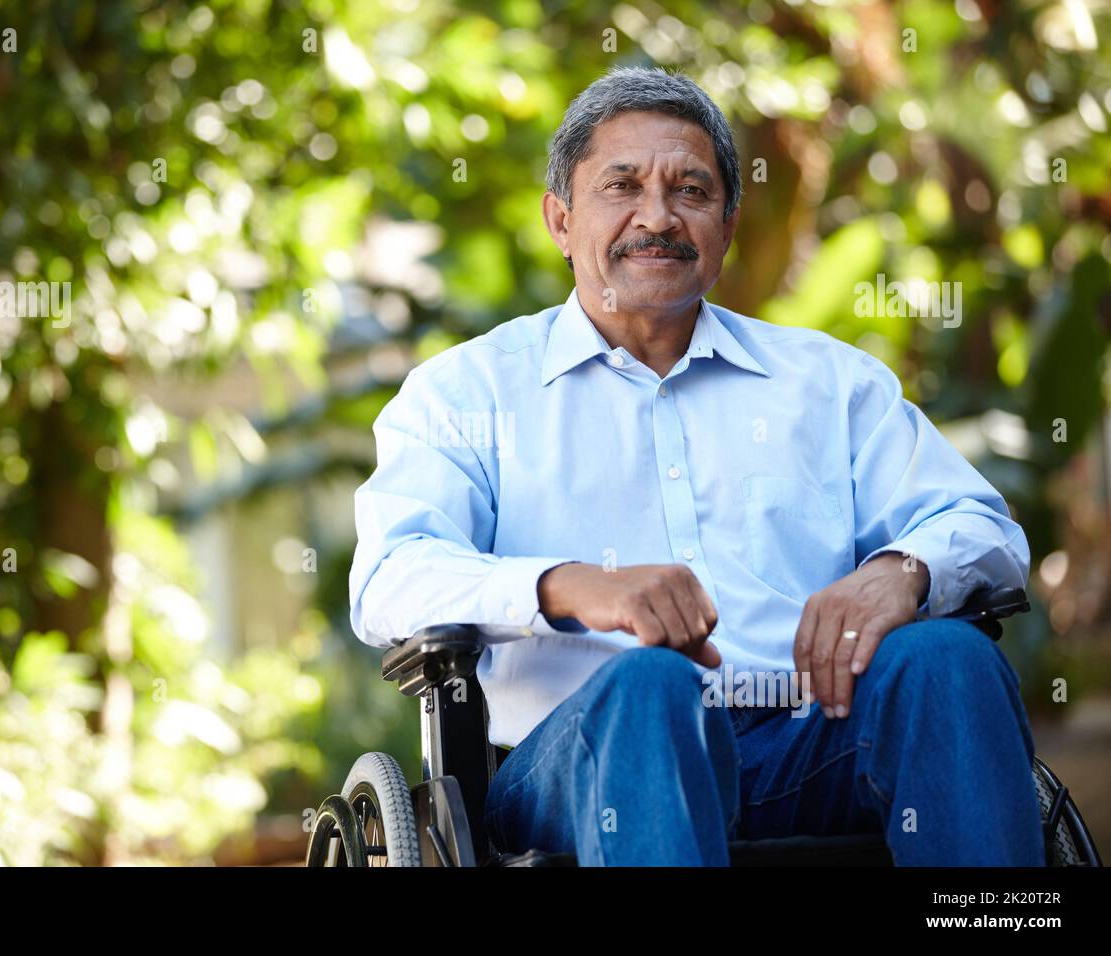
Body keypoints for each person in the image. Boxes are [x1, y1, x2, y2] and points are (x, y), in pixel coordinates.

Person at [348, 65, 1043, 865]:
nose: (658, 216)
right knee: (650, 687)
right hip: (584, 761)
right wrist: (572, 585)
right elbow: (389, 578)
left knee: (948, 659)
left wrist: (903, 569)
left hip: (809, 739)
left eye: (690, 190)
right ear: (560, 219)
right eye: (622, 186)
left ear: (726, 225)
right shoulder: (463, 391)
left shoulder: (828, 383)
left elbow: (981, 526)